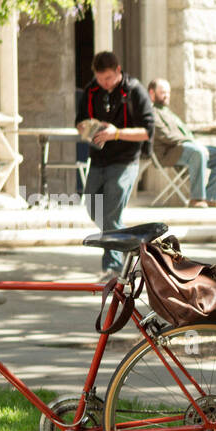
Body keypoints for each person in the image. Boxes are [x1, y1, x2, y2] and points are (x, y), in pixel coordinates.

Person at [76, 51, 154, 279]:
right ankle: (129, 246)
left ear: (118, 70)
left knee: (110, 212)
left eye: (108, 78)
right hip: (98, 159)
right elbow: (79, 121)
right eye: (100, 79)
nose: (104, 83)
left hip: (125, 160)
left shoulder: (135, 90)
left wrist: (116, 133)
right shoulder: (92, 90)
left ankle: (113, 268)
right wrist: (86, 128)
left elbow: (147, 132)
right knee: (93, 208)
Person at [147, 78, 216, 208]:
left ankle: (211, 197)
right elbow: (165, 136)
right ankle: (196, 198)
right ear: (151, 93)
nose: (167, 96)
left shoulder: (168, 112)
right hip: (169, 153)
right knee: (197, 152)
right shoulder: (151, 113)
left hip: (187, 147)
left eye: (168, 92)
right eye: (163, 92)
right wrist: (193, 143)